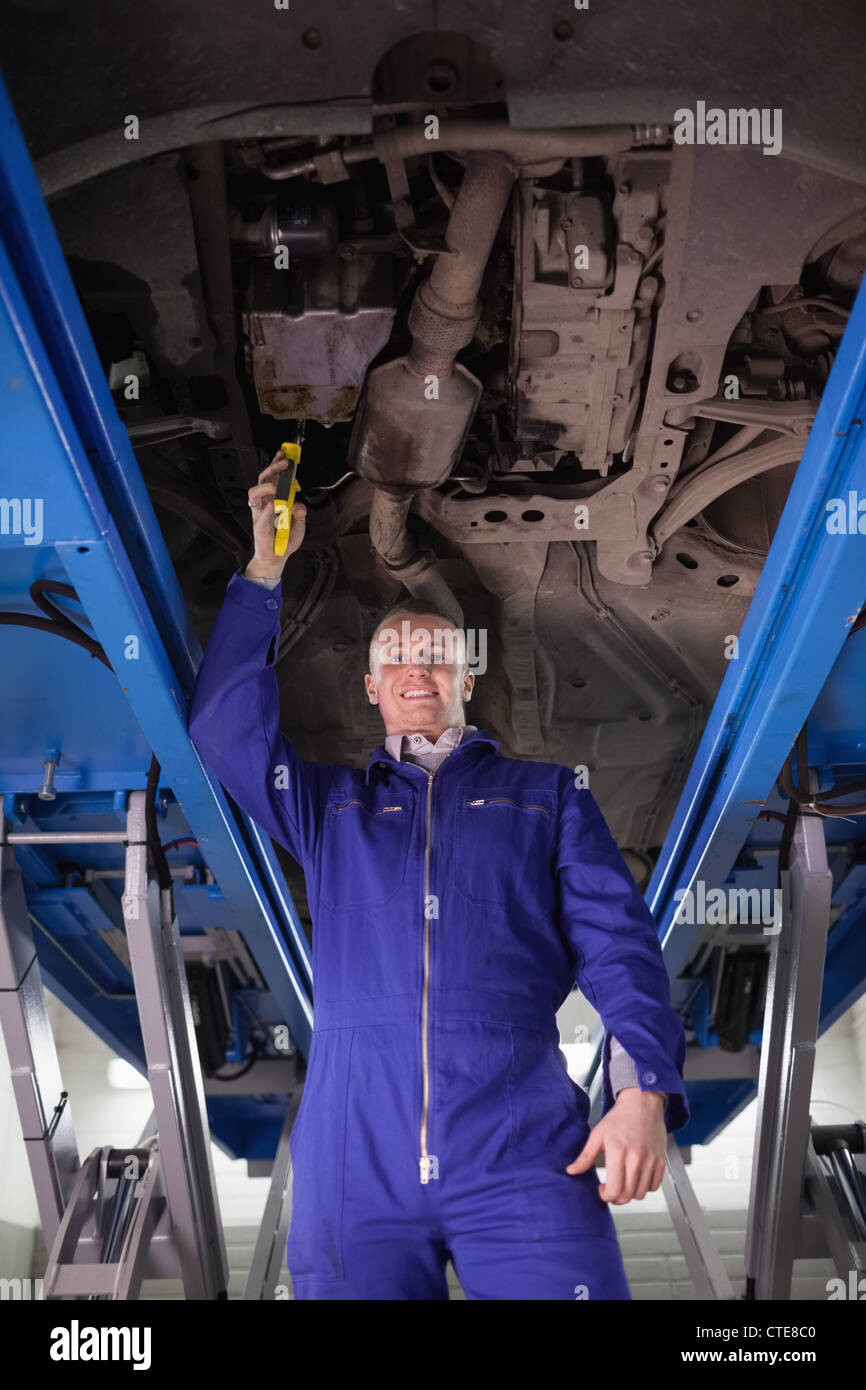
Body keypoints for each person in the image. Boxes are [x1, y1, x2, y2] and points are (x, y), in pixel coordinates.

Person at [188, 451, 690, 1300]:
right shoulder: (330, 806)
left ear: (467, 676)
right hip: (355, 1156)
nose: (416, 668)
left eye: (436, 653)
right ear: (373, 687)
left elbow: (620, 949)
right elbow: (226, 735)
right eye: (396, 658)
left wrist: (641, 1083)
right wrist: (264, 570)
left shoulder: (546, 796)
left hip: (525, 1148)